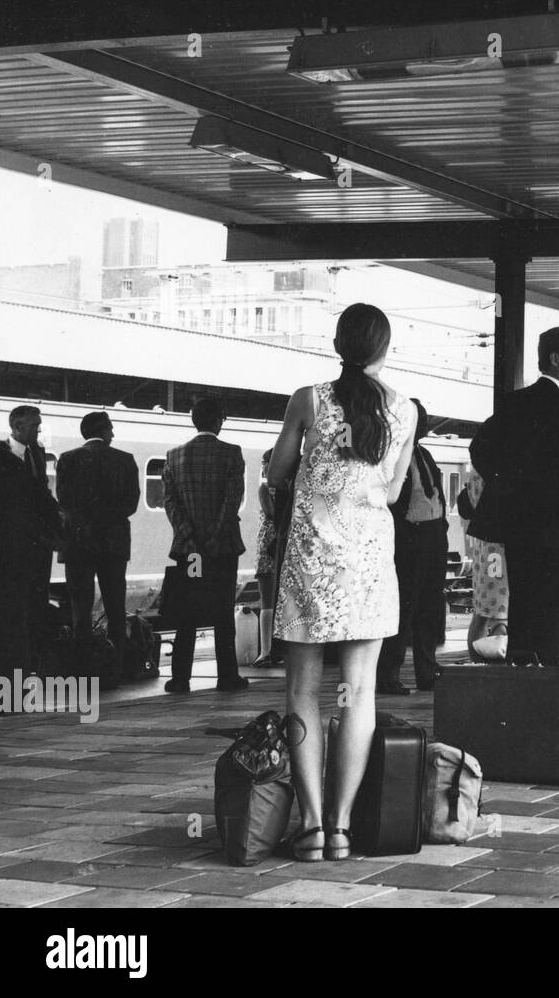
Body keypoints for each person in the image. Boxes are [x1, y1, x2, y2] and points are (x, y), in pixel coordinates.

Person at [269, 303, 416, 862]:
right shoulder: (406, 410)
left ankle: (308, 827)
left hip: (311, 560)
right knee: (357, 693)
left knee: (302, 691)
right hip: (369, 566)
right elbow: (396, 492)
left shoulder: (308, 399)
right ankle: (342, 827)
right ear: (385, 348)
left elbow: (279, 473)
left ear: (337, 342)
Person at [469, 326, 559, 667]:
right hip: (556, 527)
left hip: (520, 528)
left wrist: (512, 487)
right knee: (553, 605)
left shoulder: (514, 400)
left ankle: (523, 670)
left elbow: (480, 448)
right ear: (554, 359)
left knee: (523, 603)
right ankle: (548, 675)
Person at [162, 398, 249, 695]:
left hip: (191, 552)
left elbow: (171, 504)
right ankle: (227, 677)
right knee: (223, 610)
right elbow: (232, 500)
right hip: (221, 549)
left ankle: (180, 679)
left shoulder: (173, 456)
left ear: (194, 420)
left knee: (187, 611)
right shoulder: (231, 454)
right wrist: (213, 537)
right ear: (219, 420)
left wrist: (193, 538)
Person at [56, 411, 140, 676]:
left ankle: (82, 668)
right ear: (102, 431)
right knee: (115, 607)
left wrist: (85, 525)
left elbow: (64, 501)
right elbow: (131, 504)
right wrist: (105, 521)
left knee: (81, 608)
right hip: (113, 544)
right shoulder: (125, 460)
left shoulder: (67, 459)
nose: (113, 434)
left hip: (78, 543)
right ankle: (116, 668)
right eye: (111, 429)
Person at [376, 398, 449, 694]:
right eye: (421, 420)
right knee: (403, 608)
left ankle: (427, 671)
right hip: (409, 537)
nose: (426, 426)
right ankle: (388, 675)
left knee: (429, 608)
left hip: (433, 536)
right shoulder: (390, 455)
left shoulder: (425, 453)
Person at [0, 405, 61, 676]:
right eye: (35, 425)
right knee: (11, 609)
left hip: (37, 547)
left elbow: (42, 495)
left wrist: (58, 526)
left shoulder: (37, 453)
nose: (39, 429)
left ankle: (28, 667)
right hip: (8, 548)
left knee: (34, 606)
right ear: (17, 428)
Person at [458, 466, 509, 660]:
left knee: (483, 612)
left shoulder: (477, 477)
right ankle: (498, 657)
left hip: (486, 548)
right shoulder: (505, 473)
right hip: (500, 550)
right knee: (498, 611)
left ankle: (477, 661)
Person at [250, 449, 283, 668]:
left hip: (273, 544)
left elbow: (271, 512)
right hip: (276, 544)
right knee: (270, 600)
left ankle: (269, 650)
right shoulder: (272, 489)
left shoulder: (269, 489)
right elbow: (274, 512)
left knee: (270, 601)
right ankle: (267, 650)